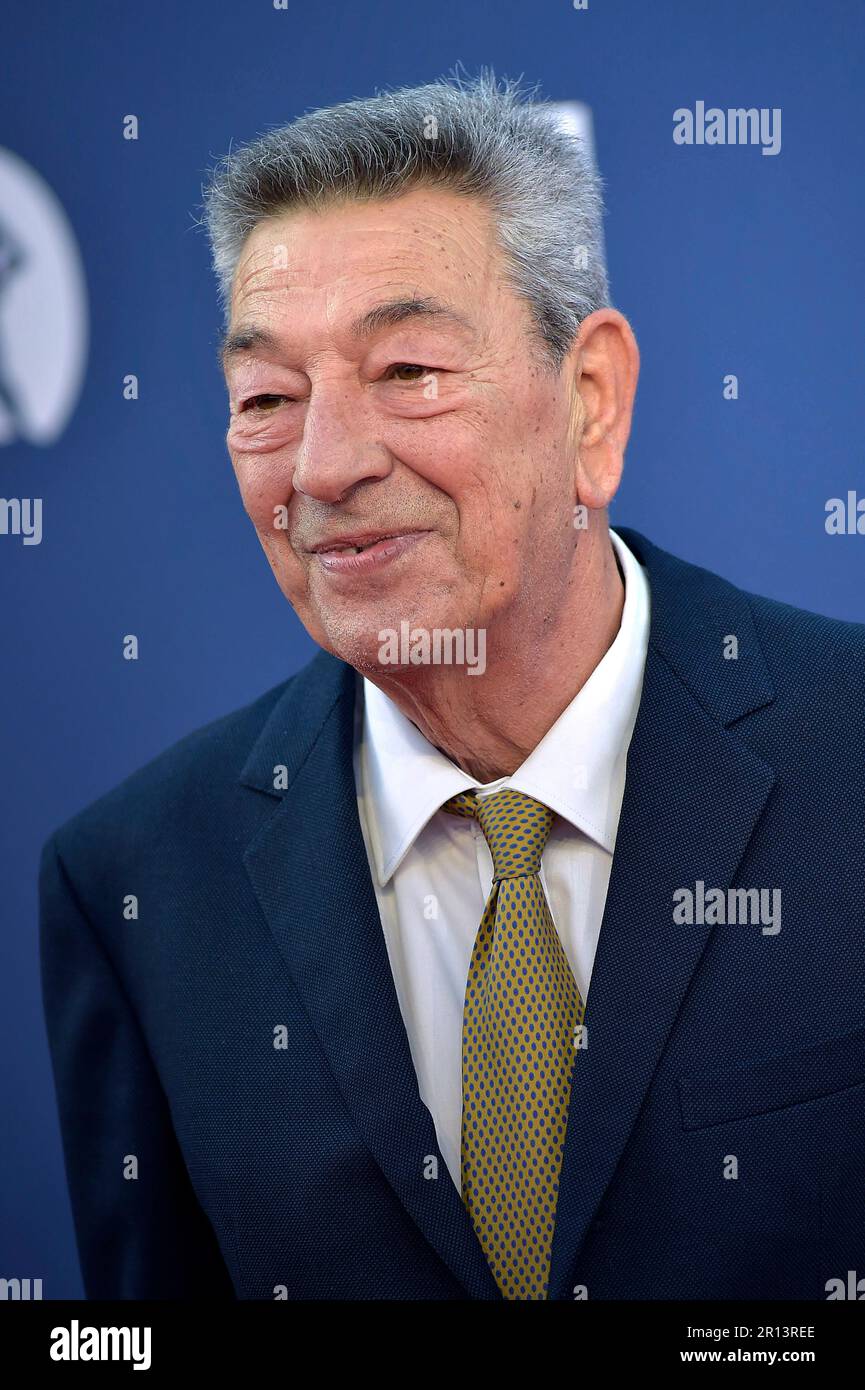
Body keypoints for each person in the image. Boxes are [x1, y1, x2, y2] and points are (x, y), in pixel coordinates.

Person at [40, 72, 865, 1301]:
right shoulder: (140, 880)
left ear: (590, 402)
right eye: (266, 398)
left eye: (408, 371)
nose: (324, 466)